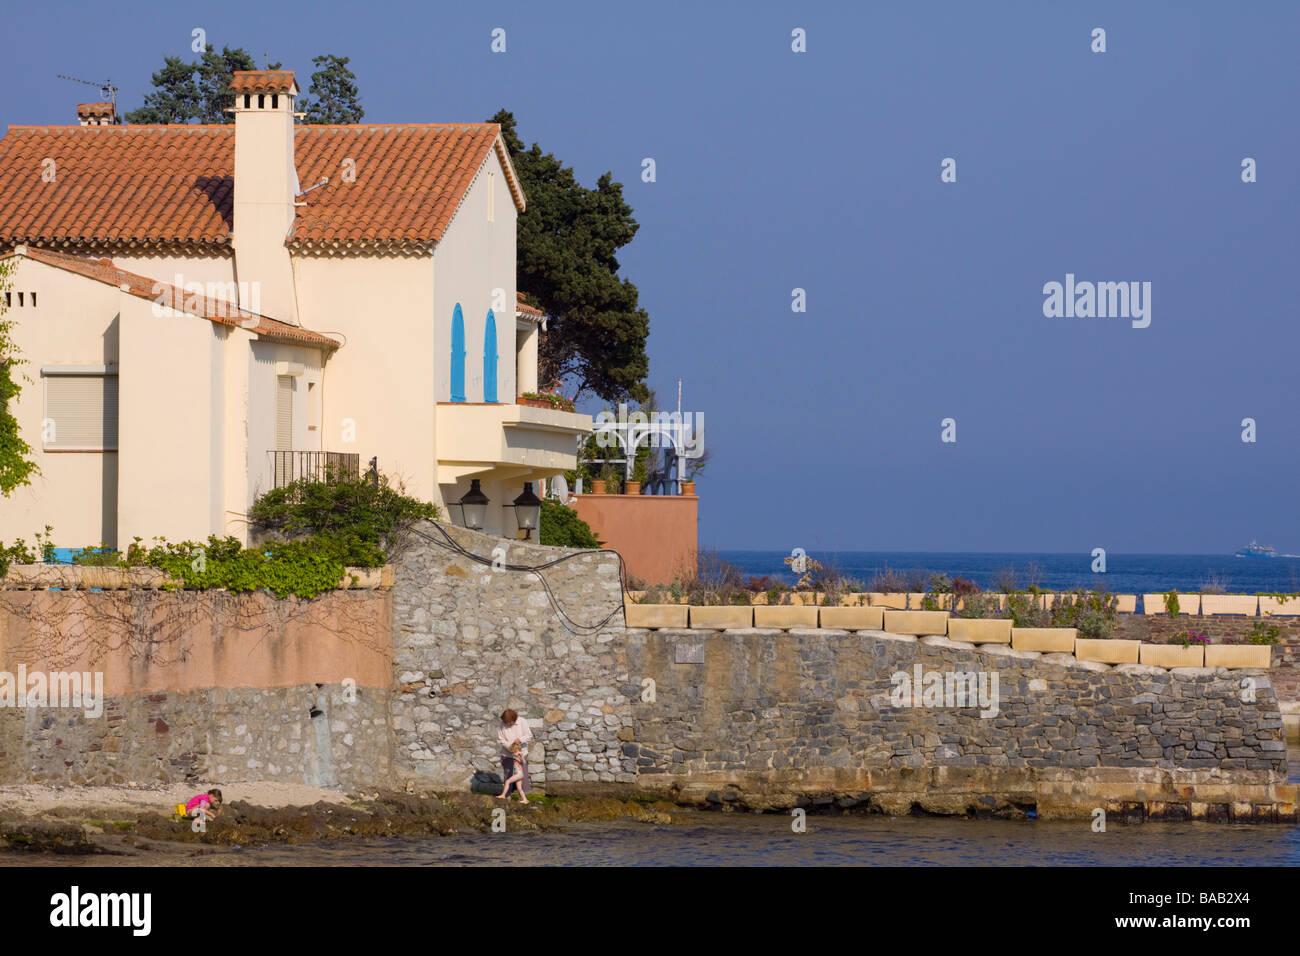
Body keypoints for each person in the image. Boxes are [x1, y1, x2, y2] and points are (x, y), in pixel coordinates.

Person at [497, 708, 533, 800]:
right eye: (507, 722)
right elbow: (501, 739)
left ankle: (525, 795)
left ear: (515, 718)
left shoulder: (522, 721)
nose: (508, 724)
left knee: (522, 775)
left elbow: (529, 735)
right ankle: (507, 795)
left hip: (521, 753)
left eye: (510, 722)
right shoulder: (502, 724)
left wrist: (520, 740)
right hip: (507, 754)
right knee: (508, 774)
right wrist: (510, 747)